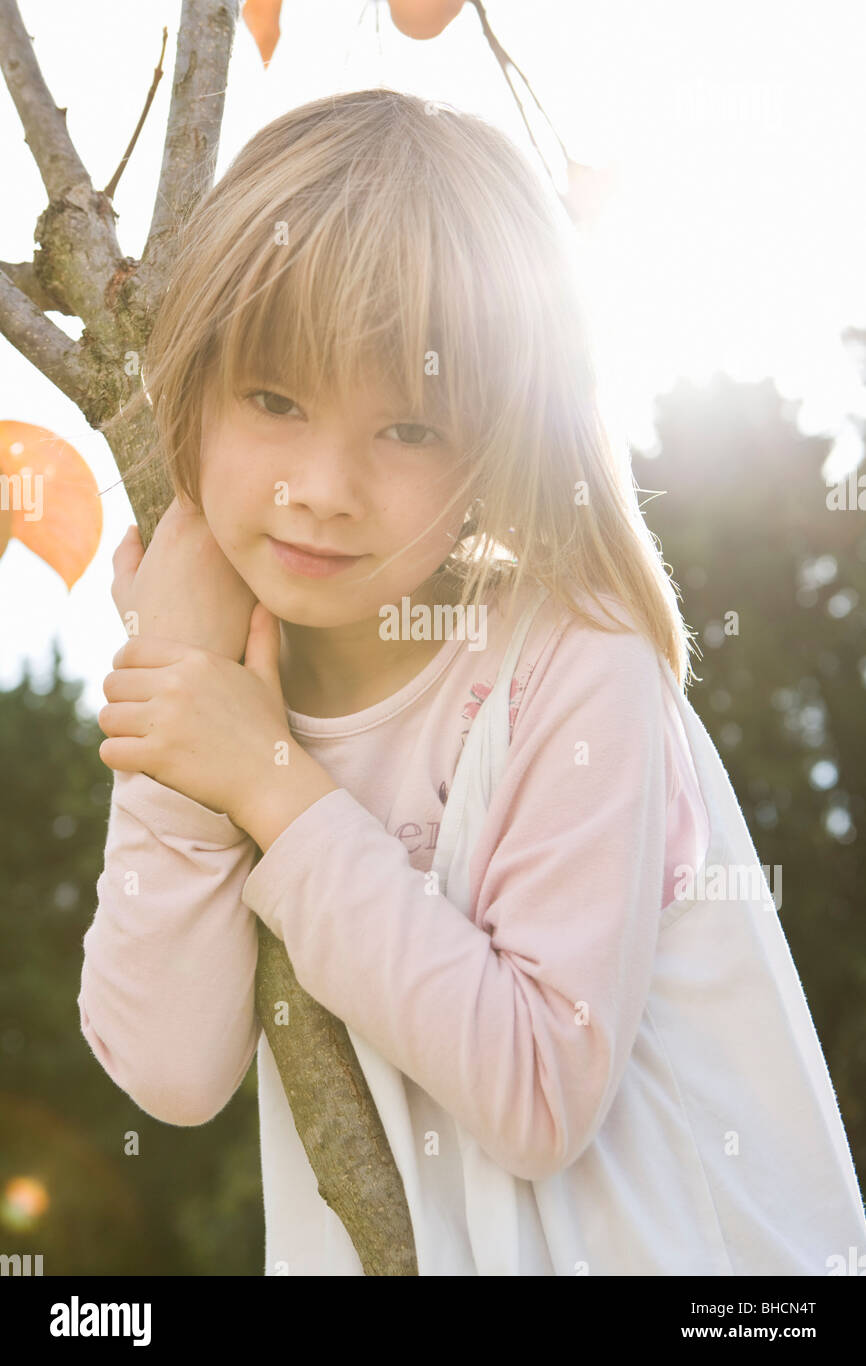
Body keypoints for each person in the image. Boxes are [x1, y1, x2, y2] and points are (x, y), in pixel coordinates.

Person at [80, 88, 866, 1275]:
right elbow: (170, 1072)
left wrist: (271, 782)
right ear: (190, 388)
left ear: (501, 446)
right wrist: (183, 692)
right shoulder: (221, 664)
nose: (324, 484)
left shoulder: (568, 659)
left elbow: (538, 1093)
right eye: (275, 400)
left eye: (408, 429)